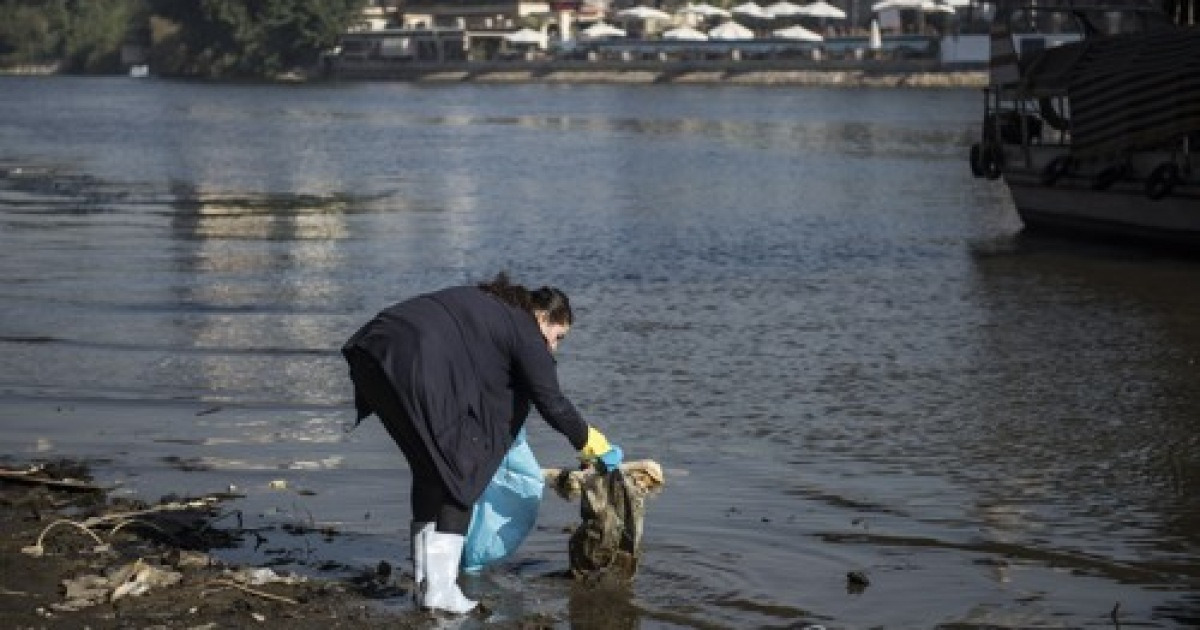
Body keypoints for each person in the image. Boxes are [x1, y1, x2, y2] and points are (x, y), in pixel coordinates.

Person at [341, 272, 623, 614]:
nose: (553, 347)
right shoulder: (525, 328)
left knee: (429, 470)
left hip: (373, 350)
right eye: (557, 336)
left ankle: (424, 583)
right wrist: (594, 444)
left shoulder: (492, 307)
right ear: (546, 317)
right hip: (414, 359)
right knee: (463, 469)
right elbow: (552, 402)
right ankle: (441, 591)